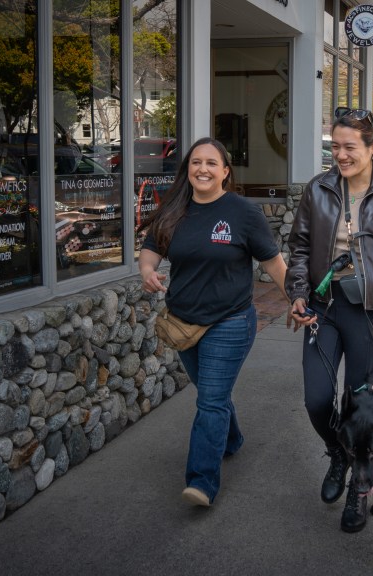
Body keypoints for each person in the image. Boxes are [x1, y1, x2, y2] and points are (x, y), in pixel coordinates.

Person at [285, 108, 373, 532]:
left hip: (372, 314)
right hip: (323, 310)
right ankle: (338, 453)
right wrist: (297, 293)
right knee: (317, 399)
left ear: (372, 147)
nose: (340, 155)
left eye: (350, 147)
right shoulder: (319, 188)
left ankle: (356, 497)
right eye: (335, 146)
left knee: (362, 408)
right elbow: (301, 248)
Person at [139, 137, 288, 508]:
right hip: (184, 322)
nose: (202, 169)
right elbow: (152, 246)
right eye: (195, 162)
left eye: (211, 163)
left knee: (210, 401)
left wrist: (299, 300)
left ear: (224, 172)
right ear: (187, 169)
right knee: (212, 394)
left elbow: (273, 264)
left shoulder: (243, 213)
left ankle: (202, 481)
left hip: (231, 321)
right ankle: (232, 439)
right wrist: (146, 269)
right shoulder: (175, 209)